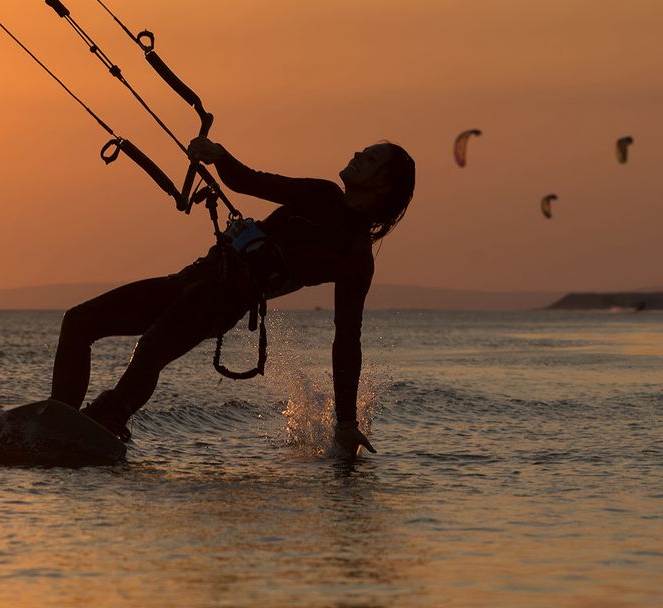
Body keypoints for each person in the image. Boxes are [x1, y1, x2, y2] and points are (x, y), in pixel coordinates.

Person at [50, 138, 416, 458]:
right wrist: (218, 155)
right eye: (364, 151)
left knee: (152, 349)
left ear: (383, 186)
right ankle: (53, 419)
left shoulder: (354, 256)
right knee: (79, 321)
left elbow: (347, 339)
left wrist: (346, 421)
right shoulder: (321, 193)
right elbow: (249, 181)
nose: (356, 154)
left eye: (369, 159)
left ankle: (102, 421)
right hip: (195, 277)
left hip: (223, 299)